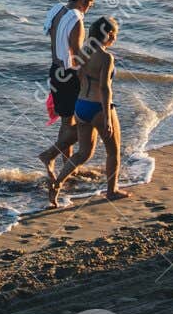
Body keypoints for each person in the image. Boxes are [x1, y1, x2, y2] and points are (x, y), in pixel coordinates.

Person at [49, 16, 130, 205]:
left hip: (81, 106)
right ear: (109, 34)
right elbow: (104, 88)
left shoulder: (83, 52)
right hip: (98, 107)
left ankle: (57, 183)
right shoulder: (106, 57)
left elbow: (78, 75)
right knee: (113, 152)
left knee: (83, 153)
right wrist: (108, 117)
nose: (115, 39)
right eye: (114, 35)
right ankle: (112, 191)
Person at [37, 0, 94, 182]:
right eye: (90, 2)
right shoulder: (77, 19)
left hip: (55, 70)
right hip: (70, 74)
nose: (90, 7)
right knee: (81, 122)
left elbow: (54, 40)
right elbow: (77, 53)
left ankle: (66, 167)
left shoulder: (56, 10)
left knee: (66, 121)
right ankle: (61, 163)